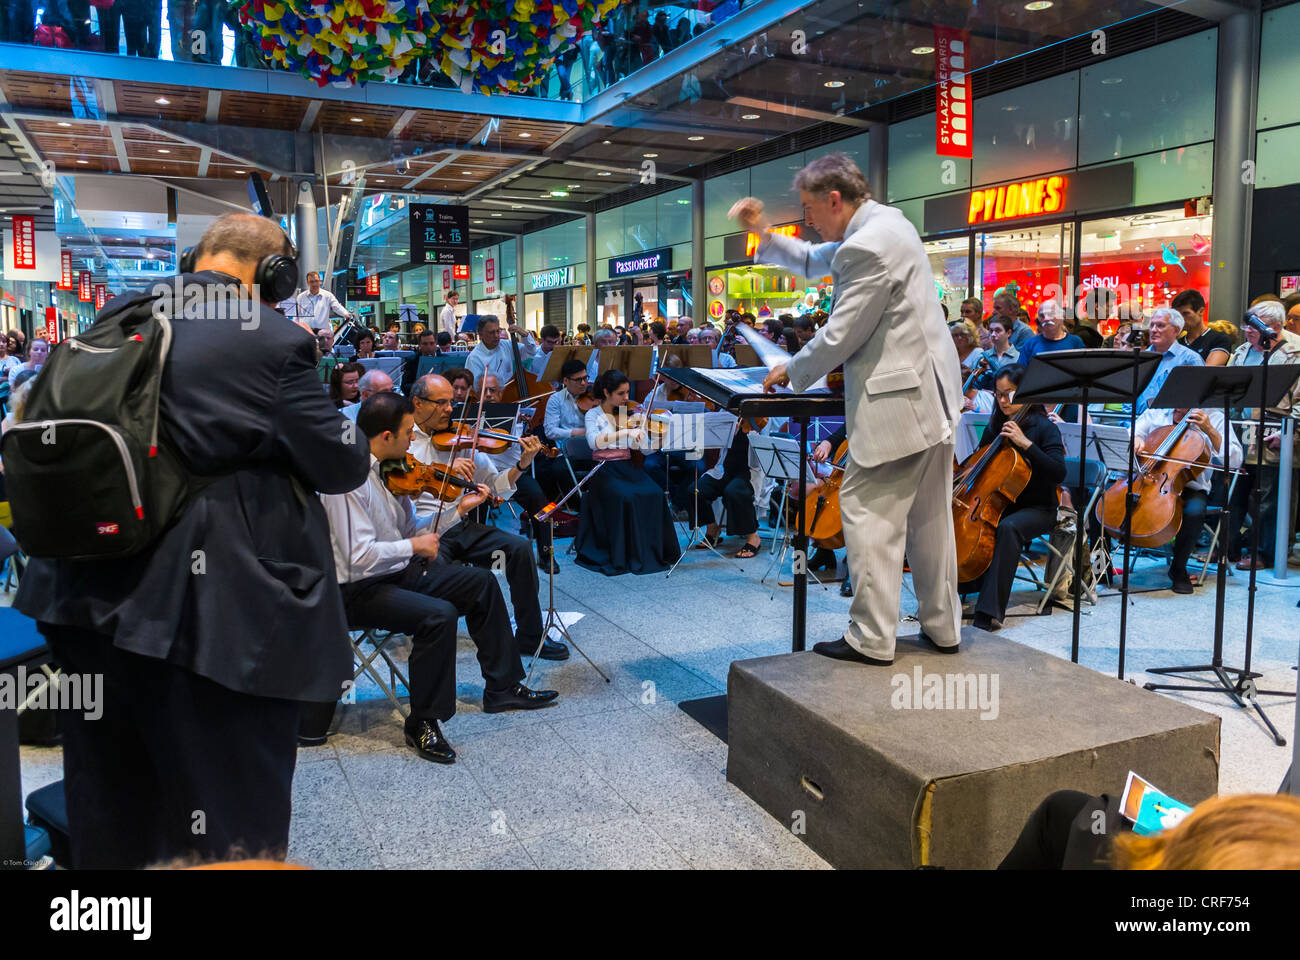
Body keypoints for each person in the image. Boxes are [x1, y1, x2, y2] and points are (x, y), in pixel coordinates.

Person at [13, 213, 371, 868]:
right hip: (210, 625)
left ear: (194, 262)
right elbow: (342, 463)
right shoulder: (271, 338)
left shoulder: (113, 317)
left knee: (113, 808)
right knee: (229, 829)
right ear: (276, 274)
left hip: (82, 602)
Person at [739, 151, 963, 664]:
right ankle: (943, 625)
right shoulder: (889, 223)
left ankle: (871, 637)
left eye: (809, 209)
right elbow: (818, 260)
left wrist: (790, 370)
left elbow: (842, 333)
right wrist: (766, 235)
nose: (808, 219)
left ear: (834, 200)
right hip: (933, 397)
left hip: (899, 402)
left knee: (867, 509)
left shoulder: (866, 246)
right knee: (930, 519)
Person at [322, 393, 558, 764]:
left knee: (480, 583)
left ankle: (502, 686)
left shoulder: (391, 468)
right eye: (405, 432)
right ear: (385, 436)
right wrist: (413, 546)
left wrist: (455, 510)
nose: (411, 439)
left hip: (394, 573)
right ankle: (423, 721)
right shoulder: (348, 482)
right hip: (357, 589)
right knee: (439, 615)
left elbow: (411, 527)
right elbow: (357, 558)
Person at [407, 376, 568, 656]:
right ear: (417, 404)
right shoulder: (404, 440)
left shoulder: (461, 439)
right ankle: (438, 643)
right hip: (425, 532)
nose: (450, 409)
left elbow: (497, 487)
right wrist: (441, 471)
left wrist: (521, 464)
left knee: (518, 549)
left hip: (460, 525)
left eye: (452, 402)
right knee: (452, 577)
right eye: (441, 403)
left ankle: (530, 636)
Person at [958, 364, 1066, 631]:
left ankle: (989, 610)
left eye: (1010, 394)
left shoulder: (1044, 427)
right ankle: (963, 584)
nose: (1003, 401)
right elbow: (981, 459)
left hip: (1039, 507)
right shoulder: (996, 424)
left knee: (1007, 528)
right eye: (998, 395)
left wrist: (1025, 444)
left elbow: (1058, 472)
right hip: (1000, 502)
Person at [574, 370, 682, 575]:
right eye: (621, 393)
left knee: (655, 493)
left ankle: (650, 552)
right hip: (603, 469)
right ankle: (628, 553)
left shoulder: (630, 414)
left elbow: (645, 449)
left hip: (626, 467)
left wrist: (660, 437)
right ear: (606, 392)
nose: (627, 398)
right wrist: (625, 431)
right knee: (627, 496)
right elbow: (593, 442)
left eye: (627, 392)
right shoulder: (593, 414)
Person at [1131, 404, 1241, 593]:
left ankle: (1178, 568)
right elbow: (1131, 433)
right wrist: (1136, 439)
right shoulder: (1157, 412)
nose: (1177, 411)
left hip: (1191, 486)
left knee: (1194, 511)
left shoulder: (1215, 417)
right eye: (1175, 406)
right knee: (1105, 498)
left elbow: (1236, 459)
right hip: (1149, 480)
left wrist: (1209, 430)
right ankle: (1103, 566)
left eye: (1184, 408)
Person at [1226, 300, 1300, 570]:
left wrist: (1290, 432)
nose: (1247, 330)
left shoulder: (1296, 353)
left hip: (1275, 436)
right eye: (1247, 323)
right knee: (1234, 496)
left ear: (1275, 327)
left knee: (1267, 501)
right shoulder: (1242, 351)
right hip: (1241, 434)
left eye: (1255, 325)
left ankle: (1264, 554)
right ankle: (1228, 549)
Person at [1135, 308, 1203, 415]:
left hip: (1170, 425)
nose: (1153, 330)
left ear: (1176, 330)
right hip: (1137, 423)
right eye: (1152, 325)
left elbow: (1198, 398)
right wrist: (1128, 424)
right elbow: (1129, 397)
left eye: (1160, 325)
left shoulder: (1190, 359)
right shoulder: (1140, 358)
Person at [465, 316, 539, 393]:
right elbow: (476, 389)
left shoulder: (506, 345)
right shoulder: (474, 358)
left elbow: (531, 351)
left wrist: (524, 334)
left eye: (498, 331)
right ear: (480, 334)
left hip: (511, 394)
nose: (496, 336)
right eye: (491, 332)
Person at [1015, 300, 1084, 368]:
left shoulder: (1075, 342)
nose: (1046, 319)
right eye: (1042, 315)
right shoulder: (1030, 344)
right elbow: (1021, 373)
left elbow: (1083, 370)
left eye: (1051, 314)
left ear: (1061, 316)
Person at [1171, 289, 1232, 366]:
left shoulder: (1219, 339)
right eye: (1177, 315)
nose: (1181, 318)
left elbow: (1206, 372)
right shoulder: (1177, 343)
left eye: (1186, 313)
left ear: (1201, 311)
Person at [283, 271, 355, 332]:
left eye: (316, 281)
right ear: (307, 283)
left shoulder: (328, 296)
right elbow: (297, 316)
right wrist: (296, 330)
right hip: (306, 332)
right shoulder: (301, 297)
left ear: (320, 282)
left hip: (323, 333)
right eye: (311, 282)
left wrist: (346, 314)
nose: (314, 284)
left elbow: (337, 307)